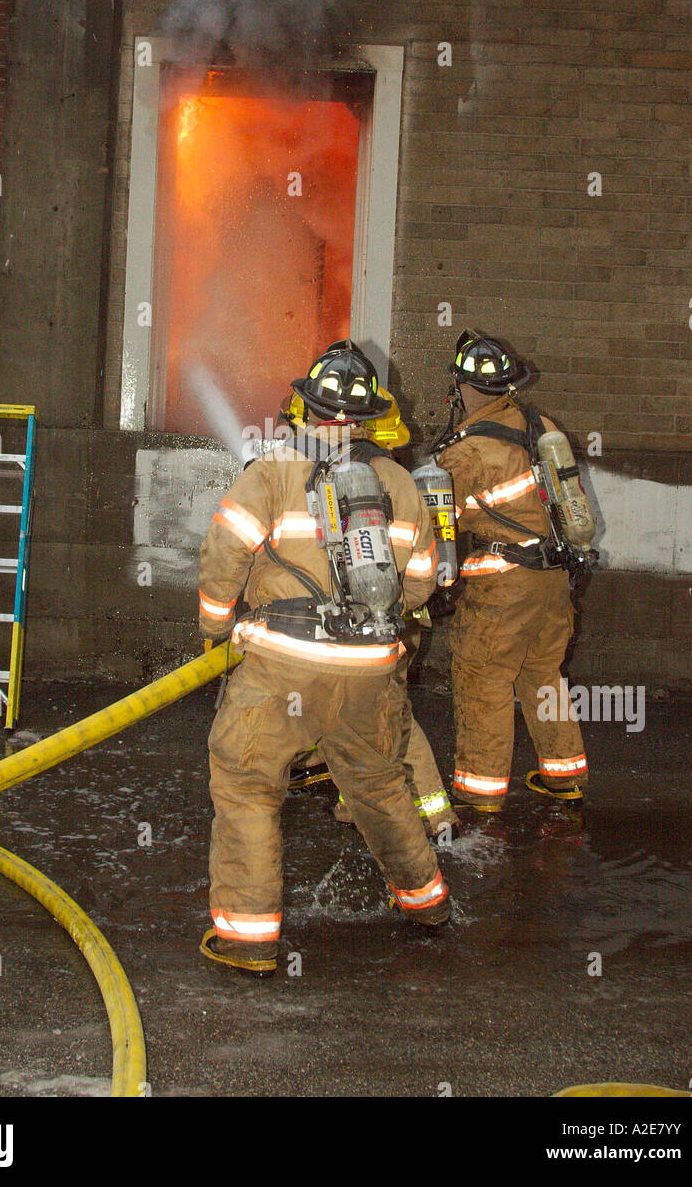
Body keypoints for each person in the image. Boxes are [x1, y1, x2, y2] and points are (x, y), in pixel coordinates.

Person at [198, 341, 451, 977]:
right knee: (379, 785)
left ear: (306, 410)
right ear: (367, 420)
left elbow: (224, 553)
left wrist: (214, 625)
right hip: (370, 671)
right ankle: (426, 902)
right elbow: (421, 583)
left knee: (249, 786)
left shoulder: (273, 473)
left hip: (283, 666)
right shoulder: (396, 482)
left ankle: (248, 939)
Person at [280, 382, 459, 838]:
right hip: (397, 616)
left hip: (373, 623)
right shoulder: (393, 477)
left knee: (390, 716)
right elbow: (423, 568)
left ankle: (434, 816)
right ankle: (352, 796)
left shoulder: (331, 477)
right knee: (355, 710)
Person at [431, 330, 589, 815]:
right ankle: (565, 778)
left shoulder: (466, 454)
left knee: (484, 678)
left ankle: (480, 796)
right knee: (543, 673)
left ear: (460, 388)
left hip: (503, 586)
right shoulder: (542, 426)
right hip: (554, 577)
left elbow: (436, 526)